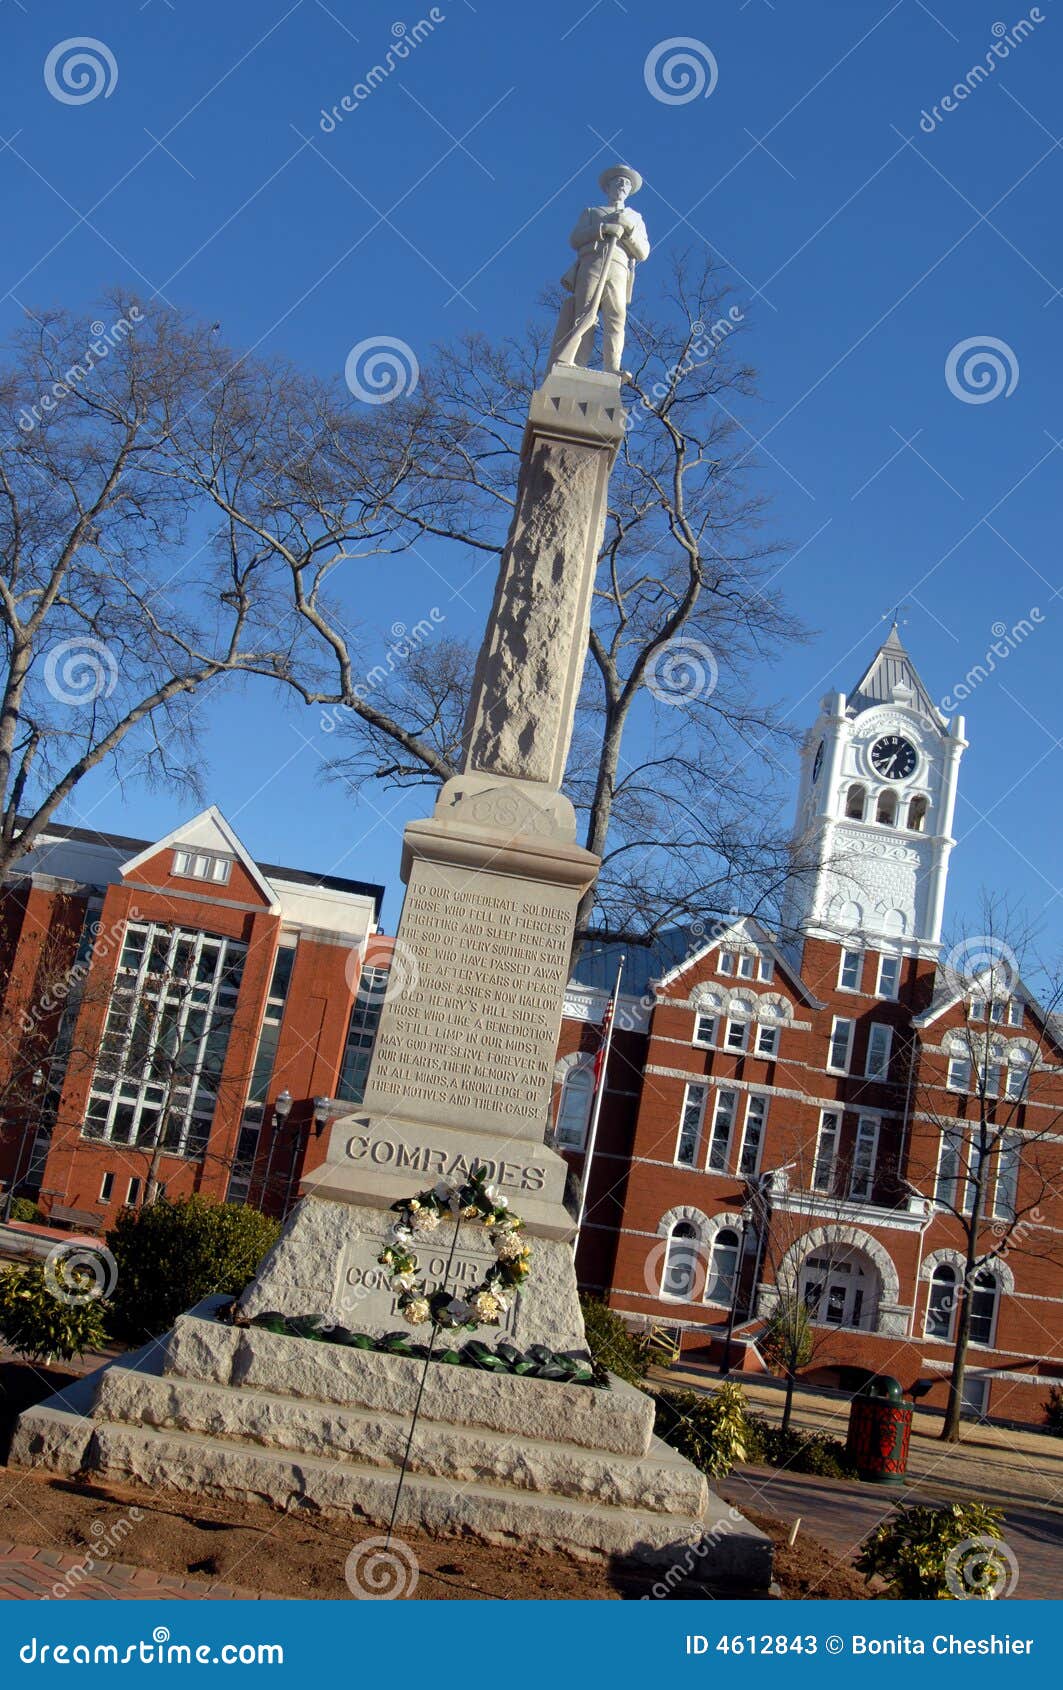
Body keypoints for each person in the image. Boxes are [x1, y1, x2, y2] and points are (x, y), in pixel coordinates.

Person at [548, 165, 650, 377]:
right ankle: (574, 362)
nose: (623, 185)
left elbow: (643, 252)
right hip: (592, 263)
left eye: (627, 183)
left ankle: (612, 368)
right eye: (619, 181)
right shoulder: (593, 213)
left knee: (617, 316)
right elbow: (575, 239)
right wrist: (603, 229)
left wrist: (627, 230)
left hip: (619, 267)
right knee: (585, 312)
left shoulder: (635, 218)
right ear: (608, 187)